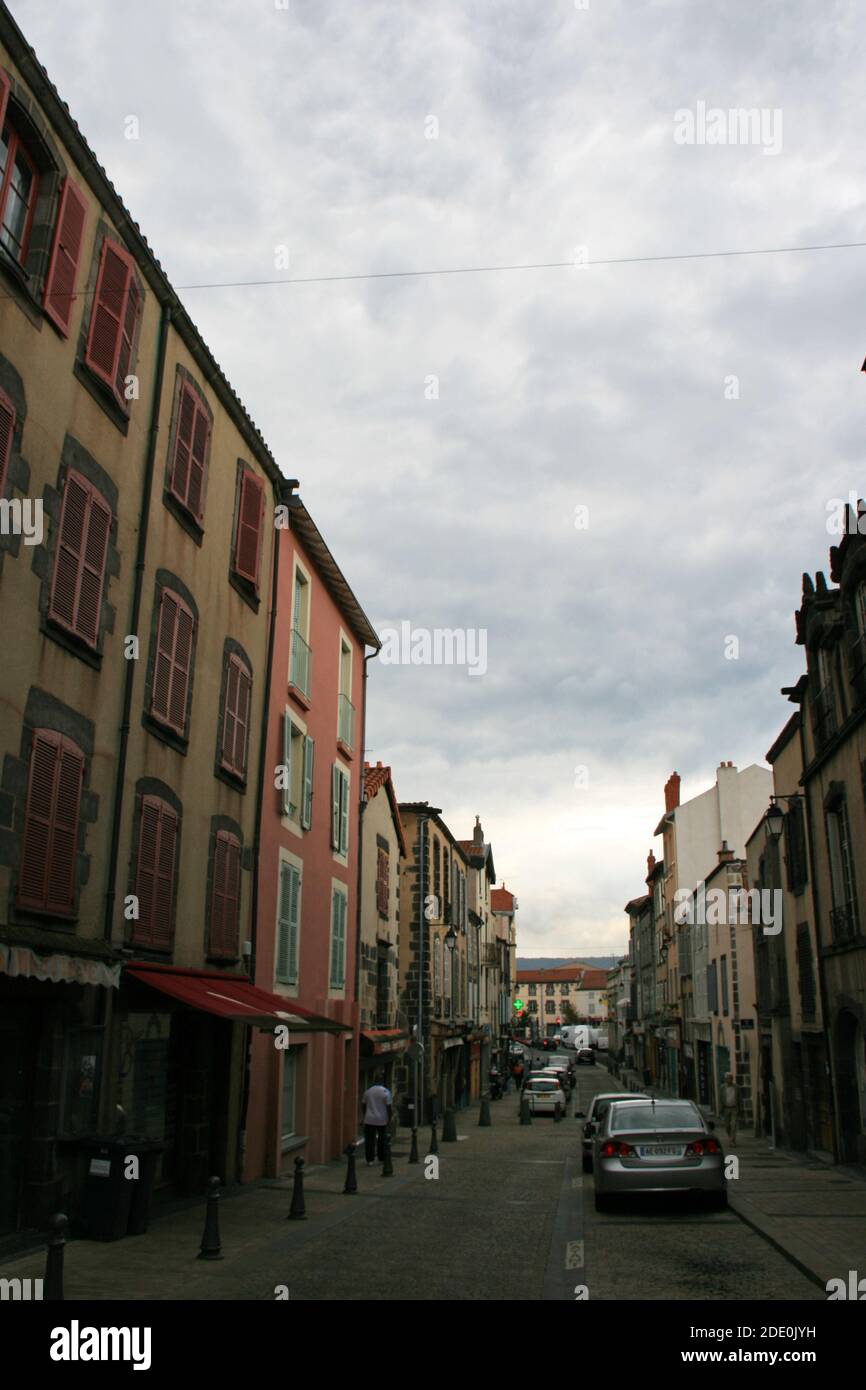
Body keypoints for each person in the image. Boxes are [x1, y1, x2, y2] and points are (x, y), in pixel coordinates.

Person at [361, 1074, 392, 1164]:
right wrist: (389, 1119)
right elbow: (389, 1107)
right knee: (381, 1140)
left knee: (369, 1140)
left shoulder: (368, 1091)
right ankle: (381, 1158)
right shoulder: (386, 1092)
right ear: (382, 1082)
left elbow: (363, 1104)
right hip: (382, 1119)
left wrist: (365, 1115)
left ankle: (369, 1159)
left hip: (369, 1119)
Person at [722, 1071, 739, 1144]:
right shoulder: (722, 1087)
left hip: (734, 1108)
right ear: (725, 1079)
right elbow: (720, 1098)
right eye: (727, 1078)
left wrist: (740, 1108)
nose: (729, 1080)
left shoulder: (737, 1087)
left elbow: (740, 1098)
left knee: (733, 1124)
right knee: (727, 1126)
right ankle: (730, 1137)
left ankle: (732, 1140)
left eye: (730, 1078)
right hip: (726, 1108)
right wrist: (721, 1108)